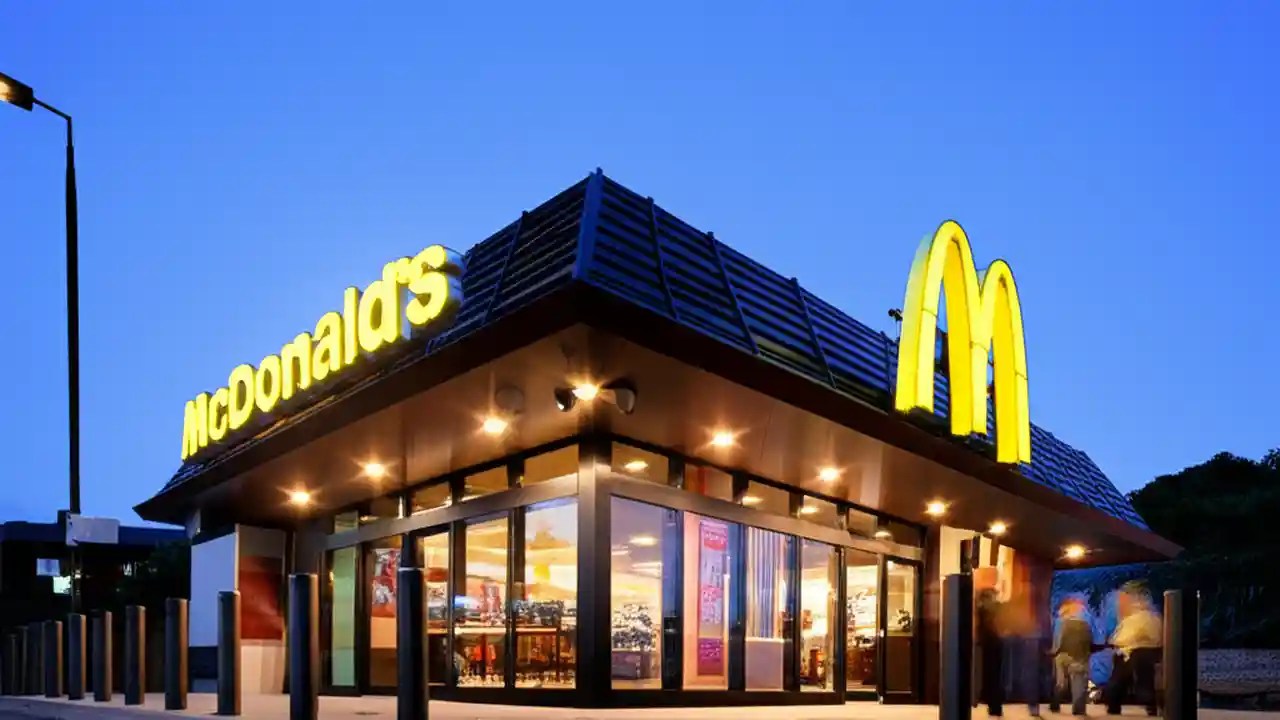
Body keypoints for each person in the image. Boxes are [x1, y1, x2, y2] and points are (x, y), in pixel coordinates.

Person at [1105, 585, 1162, 716]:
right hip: (1132, 652)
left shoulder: (1142, 618)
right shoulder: (1142, 617)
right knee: (1127, 682)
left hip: (1137, 652)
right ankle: (1115, 705)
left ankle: (1116, 705)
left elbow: (1127, 637)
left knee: (1136, 681)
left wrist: (1118, 643)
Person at [1050, 597, 1093, 716]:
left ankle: (1055, 704)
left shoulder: (1061, 622)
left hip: (1063, 656)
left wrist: (1054, 652)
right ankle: (1078, 708)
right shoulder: (1085, 624)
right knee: (1078, 683)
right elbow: (1090, 642)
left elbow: (1058, 642)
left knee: (1061, 683)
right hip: (1079, 658)